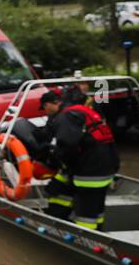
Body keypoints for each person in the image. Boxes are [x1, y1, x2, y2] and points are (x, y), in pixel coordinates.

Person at [43, 89, 121, 231]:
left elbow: (66, 144)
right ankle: (57, 217)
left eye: (44, 106)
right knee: (62, 188)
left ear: (53, 103)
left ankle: (88, 237)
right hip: (106, 164)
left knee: (87, 211)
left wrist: (56, 158)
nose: (45, 110)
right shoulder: (83, 112)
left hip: (91, 170)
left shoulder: (66, 116)